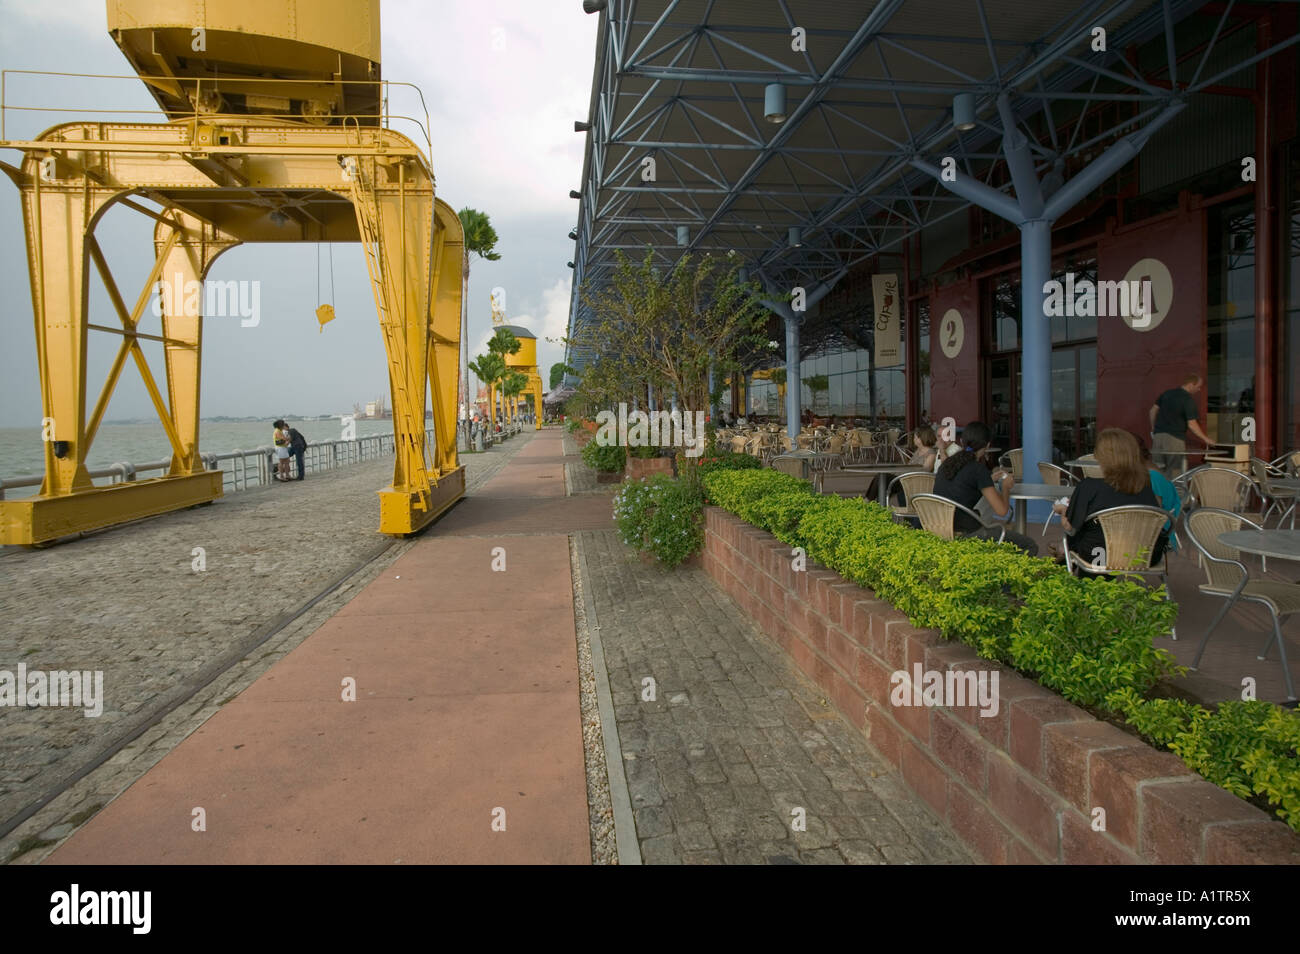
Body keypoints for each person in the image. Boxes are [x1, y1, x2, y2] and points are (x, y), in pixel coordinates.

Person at [1053, 428, 1168, 568]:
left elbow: (1069, 527)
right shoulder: (1145, 486)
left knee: (1074, 539)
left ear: (1101, 457)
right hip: (1144, 556)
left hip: (1098, 555)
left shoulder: (1089, 486)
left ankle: (1066, 573)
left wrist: (1062, 511)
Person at [932, 420, 1039, 555]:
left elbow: (963, 483)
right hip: (969, 532)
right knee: (1029, 545)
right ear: (987, 445)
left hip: (941, 528)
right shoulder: (978, 469)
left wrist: (989, 479)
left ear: (962, 441)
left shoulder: (947, 464)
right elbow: (1002, 511)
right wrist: (1005, 487)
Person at [1149, 373, 1212, 479]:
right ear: (1191, 384)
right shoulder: (1187, 399)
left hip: (1158, 438)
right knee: (1176, 473)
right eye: (1198, 386)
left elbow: (1152, 411)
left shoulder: (1167, 394)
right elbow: (1192, 424)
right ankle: (1176, 495)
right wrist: (1206, 439)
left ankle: (1157, 495)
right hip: (1174, 439)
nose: (1199, 389)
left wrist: (1153, 428)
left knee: (1157, 471)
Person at [1135, 433, 1180, 551]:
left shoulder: (1151, 477)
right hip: (1150, 535)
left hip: (1156, 540)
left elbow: (1154, 515)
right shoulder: (1147, 471)